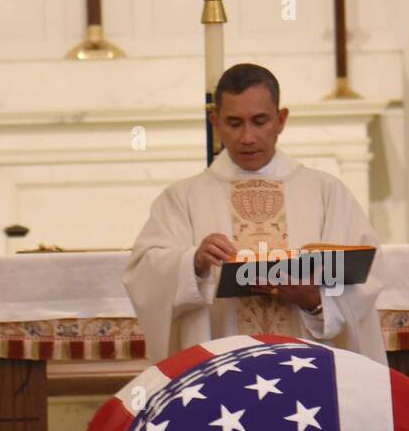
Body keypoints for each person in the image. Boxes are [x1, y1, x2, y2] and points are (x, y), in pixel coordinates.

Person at [125, 63, 385, 363]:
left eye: (259, 121)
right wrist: (191, 262)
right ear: (215, 122)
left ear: (281, 119)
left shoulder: (326, 192)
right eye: (234, 123)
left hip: (309, 368)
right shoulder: (183, 198)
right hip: (221, 368)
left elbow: (366, 277)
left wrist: (314, 299)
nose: (247, 137)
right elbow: (144, 273)